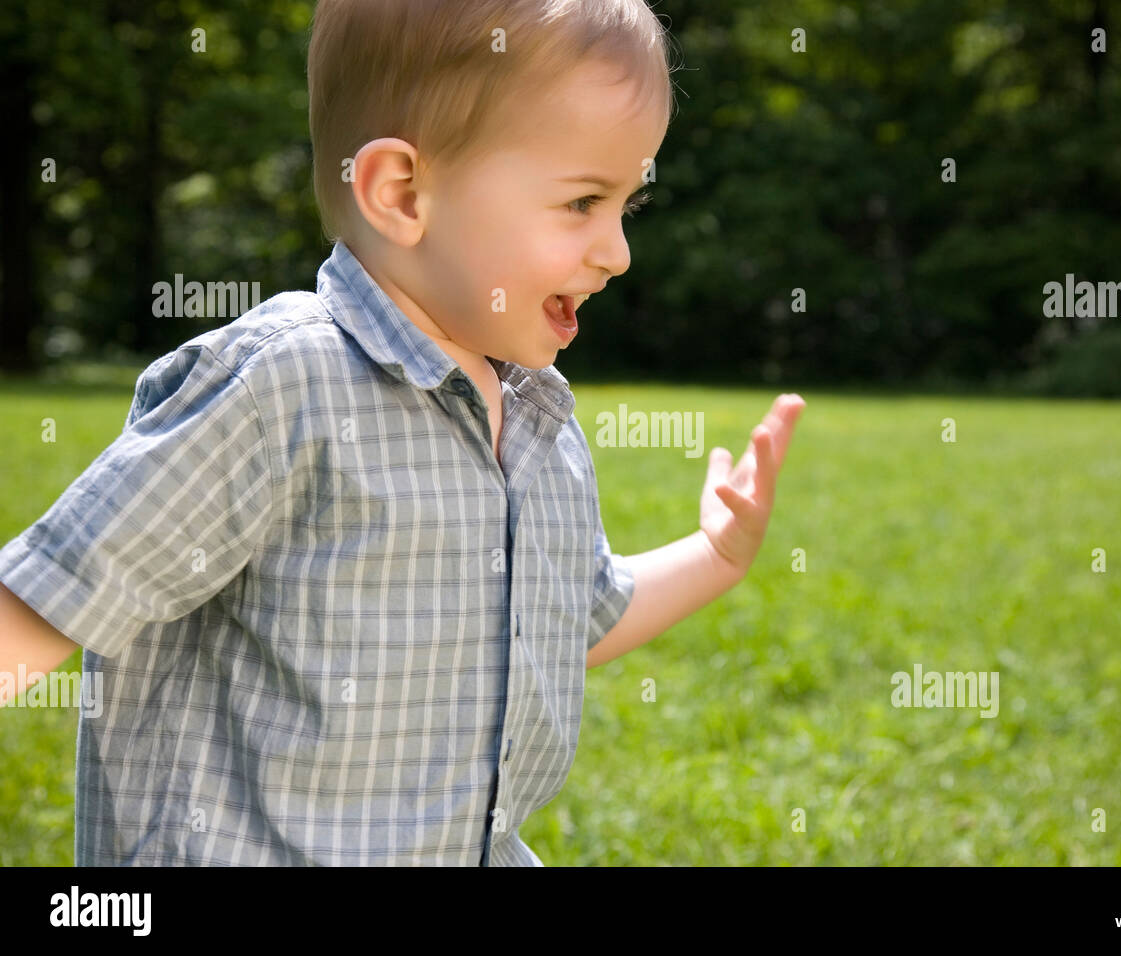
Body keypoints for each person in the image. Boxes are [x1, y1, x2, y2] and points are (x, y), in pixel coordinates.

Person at [0, 0, 805, 866]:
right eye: (582, 202)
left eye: (626, 207)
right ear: (403, 194)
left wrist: (716, 556)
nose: (618, 252)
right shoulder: (286, 384)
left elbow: (569, 622)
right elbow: (52, 597)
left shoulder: (538, 420)